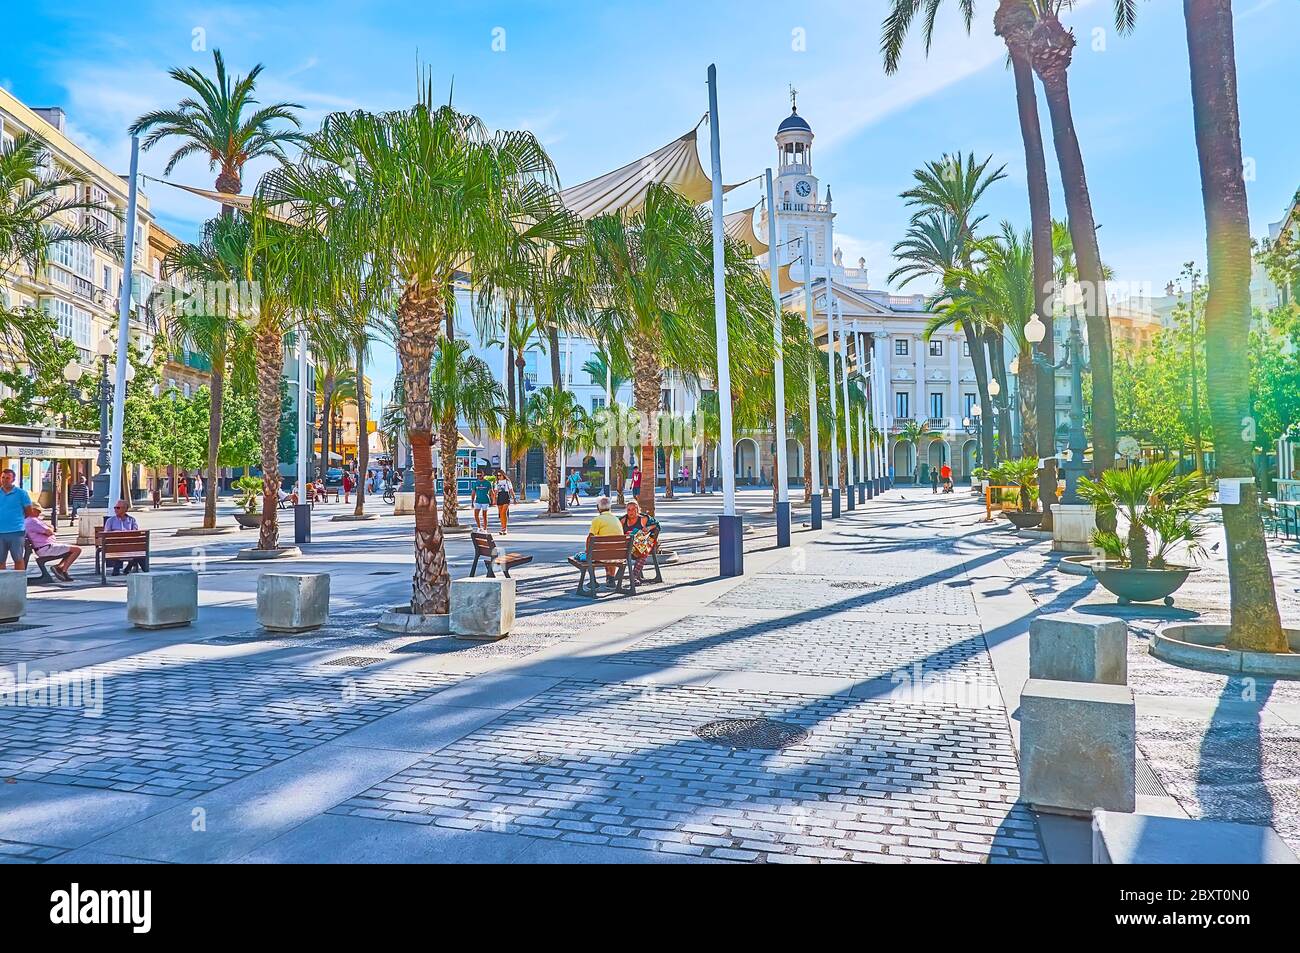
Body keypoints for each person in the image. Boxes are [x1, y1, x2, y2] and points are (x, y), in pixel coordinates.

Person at [24, 504, 80, 582]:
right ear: (32, 510)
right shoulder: (33, 521)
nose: (40, 513)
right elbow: (49, 531)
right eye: (38, 511)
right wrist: (50, 528)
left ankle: (59, 567)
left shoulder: (28, 520)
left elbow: (49, 529)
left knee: (71, 549)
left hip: (43, 547)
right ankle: (62, 570)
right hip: (46, 548)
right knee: (77, 550)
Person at [585, 496, 625, 585]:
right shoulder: (616, 519)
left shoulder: (597, 520)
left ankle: (593, 581)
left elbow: (590, 538)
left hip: (603, 556)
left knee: (590, 555)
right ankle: (611, 578)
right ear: (610, 508)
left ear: (598, 508)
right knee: (610, 551)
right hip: (619, 555)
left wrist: (587, 551)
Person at [619, 498, 659, 586]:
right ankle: (634, 577)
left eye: (633, 509)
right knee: (643, 550)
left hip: (640, 546)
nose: (631, 512)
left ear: (637, 509)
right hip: (627, 546)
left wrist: (648, 528)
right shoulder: (622, 520)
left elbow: (657, 525)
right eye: (628, 510)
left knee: (644, 550)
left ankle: (634, 576)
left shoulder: (643, 519)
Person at [0, 468, 32, 572]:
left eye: (7, 478)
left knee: (18, 559)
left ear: (13, 479)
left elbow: (28, 512)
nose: (4, 480)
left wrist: (17, 521)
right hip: (0, 532)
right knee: (0, 561)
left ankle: (18, 584)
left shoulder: (21, 493)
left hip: (16, 532)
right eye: (3, 477)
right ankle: (2, 585)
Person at [103, 500, 143, 575]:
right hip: (115, 546)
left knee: (138, 548)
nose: (115, 510)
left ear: (125, 509)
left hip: (129, 545)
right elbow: (106, 535)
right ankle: (123, 567)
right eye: (115, 508)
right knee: (119, 547)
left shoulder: (131, 520)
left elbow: (135, 533)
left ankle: (125, 567)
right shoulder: (110, 520)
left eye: (118, 508)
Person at [493, 469, 515, 536]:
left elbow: (511, 490)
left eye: (500, 475)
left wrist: (514, 498)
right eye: (498, 475)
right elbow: (495, 492)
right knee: (501, 514)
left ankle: (505, 529)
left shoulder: (507, 482)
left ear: (503, 475)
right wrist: (494, 499)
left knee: (503, 512)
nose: (499, 476)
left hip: (506, 497)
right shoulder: (497, 482)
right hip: (500, 497)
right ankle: (502, 528)